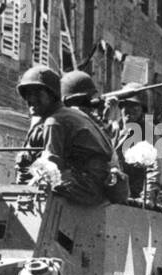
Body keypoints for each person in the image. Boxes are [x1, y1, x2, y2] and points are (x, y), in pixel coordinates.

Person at [17, 65, 116, 206]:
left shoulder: (54, 121)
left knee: (48, 182)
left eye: (37, 93)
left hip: (89, 187)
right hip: (95, 185)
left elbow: (50, 166)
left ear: (52, 95)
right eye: (27, 94)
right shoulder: (68, 115)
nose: (31, 99)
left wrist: (27, 187)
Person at [107, 82, 162, 207]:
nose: (128, 111)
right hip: (112, 194)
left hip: (136, 199)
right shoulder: (114, 129)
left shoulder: (148, 131)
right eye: (125, 105)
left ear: (142, 110)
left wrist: (148, 196)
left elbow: (156, 166)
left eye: (134, 107)